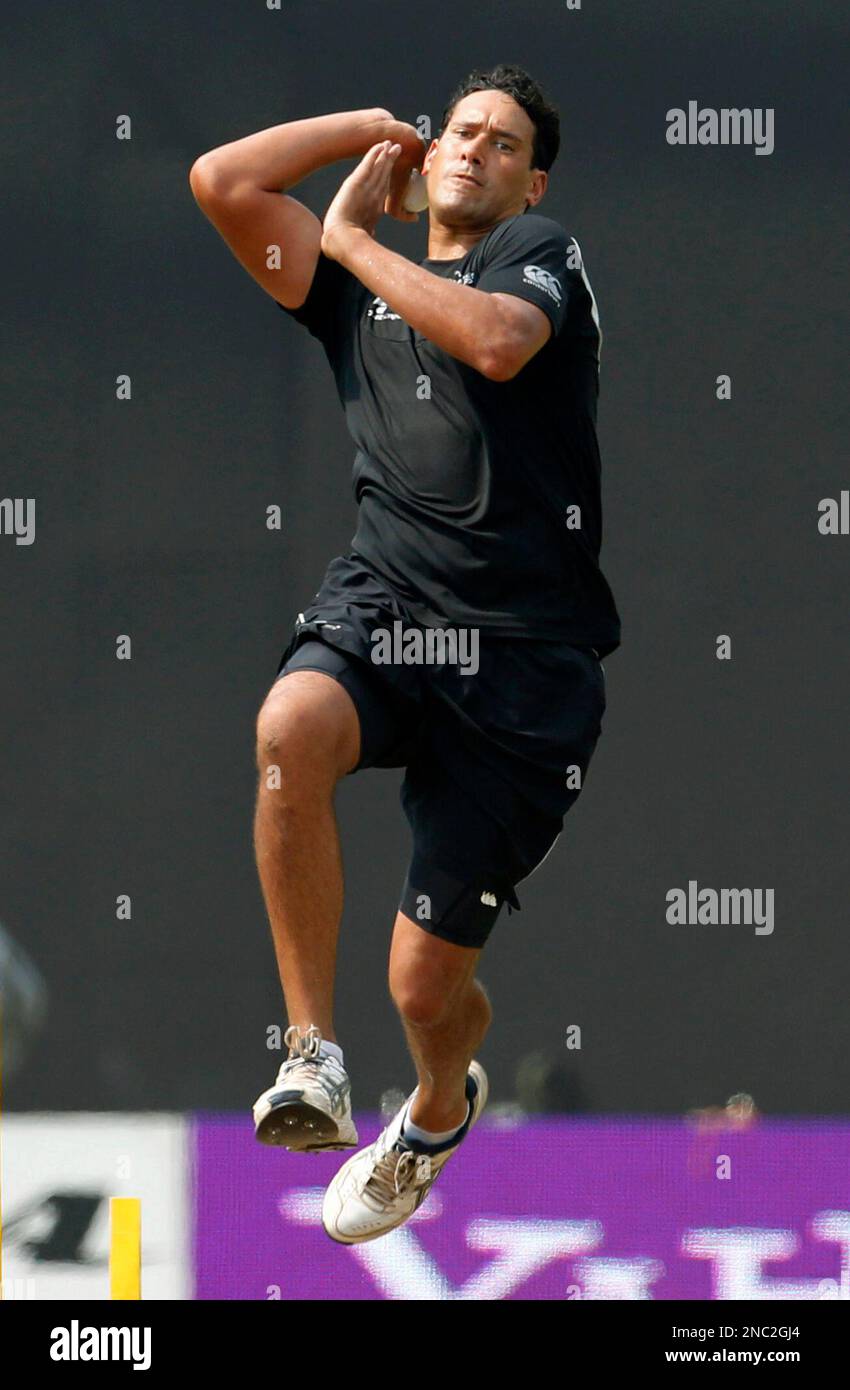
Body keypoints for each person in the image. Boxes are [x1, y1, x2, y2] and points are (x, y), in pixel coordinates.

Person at [190, 63, 620, 1245]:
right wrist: (367, 131)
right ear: (430, 154)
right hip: (385, 606)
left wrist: (353, 241)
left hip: (527, 664)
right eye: (460, 129)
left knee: (426, 989)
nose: (476, 148)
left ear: (531, 178)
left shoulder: (539, 253)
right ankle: (312, 1057)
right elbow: (221, 179)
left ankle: (434, 1109)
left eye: (504, 141)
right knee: (290, 729)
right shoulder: (348, 275)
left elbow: (493, 343)